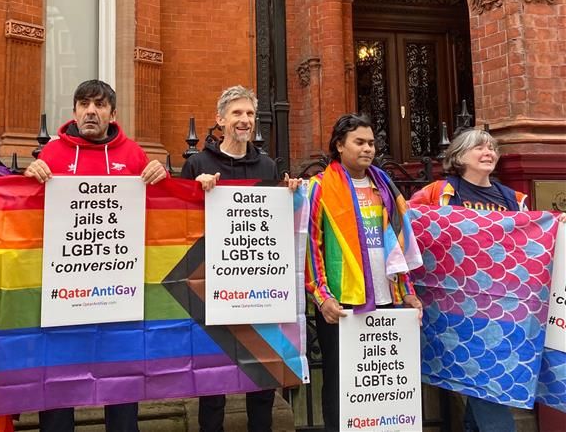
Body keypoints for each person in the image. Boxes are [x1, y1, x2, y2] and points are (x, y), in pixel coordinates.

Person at [24, 79, 167, 432]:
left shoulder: (133, 154)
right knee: (58, 386)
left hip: (119, 292)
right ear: (73, 111)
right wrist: (28, 177)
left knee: (121, 386)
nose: (91, 111)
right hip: (63, 294)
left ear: (112, 114)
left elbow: (158, 214)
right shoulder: (53, 154)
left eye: (100, 105)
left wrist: (161, 178)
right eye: (84, 104)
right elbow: (26, 213)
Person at [409, 127, 566, 432]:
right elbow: (412, 229)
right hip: (455, 308)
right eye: (478, 147)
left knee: (486, 383)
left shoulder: (513, 199)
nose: (488, 152)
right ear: (458, 156)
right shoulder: (437, 194)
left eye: (492, 148)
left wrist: (556, 225)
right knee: (485, 386)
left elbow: (530, 245)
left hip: (504, 309)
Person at [181, 85, 299, 432]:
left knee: (261, 380)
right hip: (213, 287)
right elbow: (180, 224)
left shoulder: (267, 165)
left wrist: (289, 193)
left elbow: (277, 225)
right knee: (213, 385)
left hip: (258, 286)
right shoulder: (198, 163)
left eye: (249, 114)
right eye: (236, 113)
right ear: (220, 120)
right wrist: (194, 190)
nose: (244, 120)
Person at [305, 113, 423, 432]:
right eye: (359, 142)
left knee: (381, 382)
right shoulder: (319, 187)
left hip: (387, 297)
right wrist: (322, 296)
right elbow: (311, 245)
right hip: (341, 302)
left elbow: (399, 240)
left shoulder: (384, 184)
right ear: (339, 145)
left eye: (371, 142)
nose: (368, 148)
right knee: (341, 379)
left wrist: (408, 291)